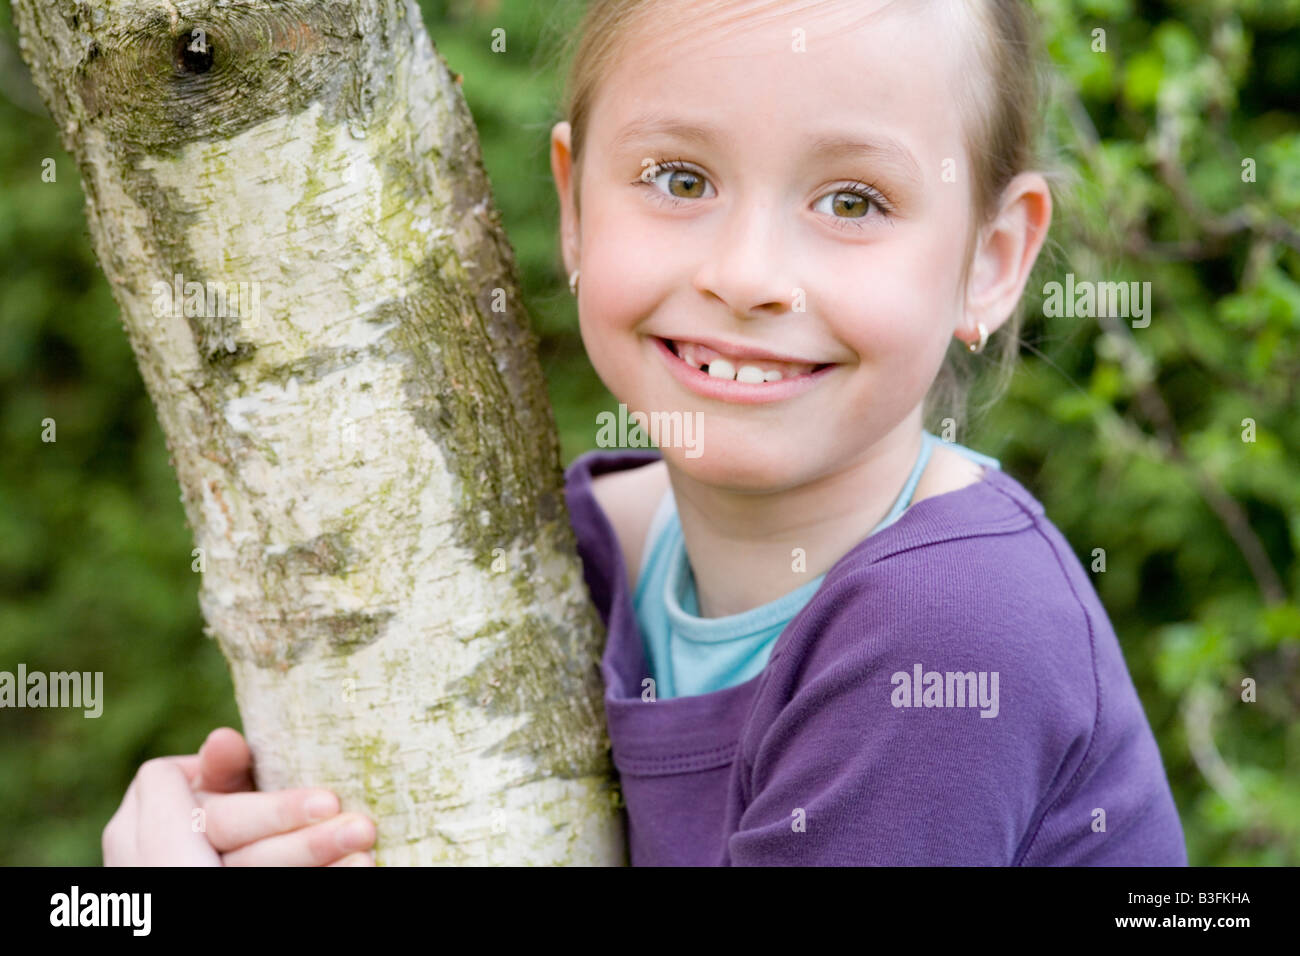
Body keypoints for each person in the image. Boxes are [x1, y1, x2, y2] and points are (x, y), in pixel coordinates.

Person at [103, 0, 1187, 866]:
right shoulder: (565, 554)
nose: (747, 275)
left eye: (853, 201)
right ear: (575, 206)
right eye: (679, 179)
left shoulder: (948, 633)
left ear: (992, 259)